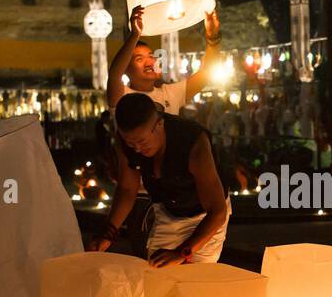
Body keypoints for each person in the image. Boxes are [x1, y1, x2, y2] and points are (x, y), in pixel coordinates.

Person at [106, 4, 224, 256]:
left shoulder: (171, 95)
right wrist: (134, 34)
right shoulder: (125, 101)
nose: (149, 61)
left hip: (180, 188)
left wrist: (213, 36)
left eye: (151, 55)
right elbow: (113, 77)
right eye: (138, 59)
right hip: (141, 193)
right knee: (144, 255)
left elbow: (206, 73)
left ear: (160, 122)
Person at [91, 92, 230, 266]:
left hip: (206, 215)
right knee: (156, 273)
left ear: (160, 124)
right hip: (169, 212)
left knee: (197, 276)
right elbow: (127, 189)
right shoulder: (125, 141)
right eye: (131, 143)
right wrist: (108, 233)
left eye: (142, 141)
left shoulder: (193, 144)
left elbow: (217, 212)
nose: (137, 149)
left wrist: (183, 252)